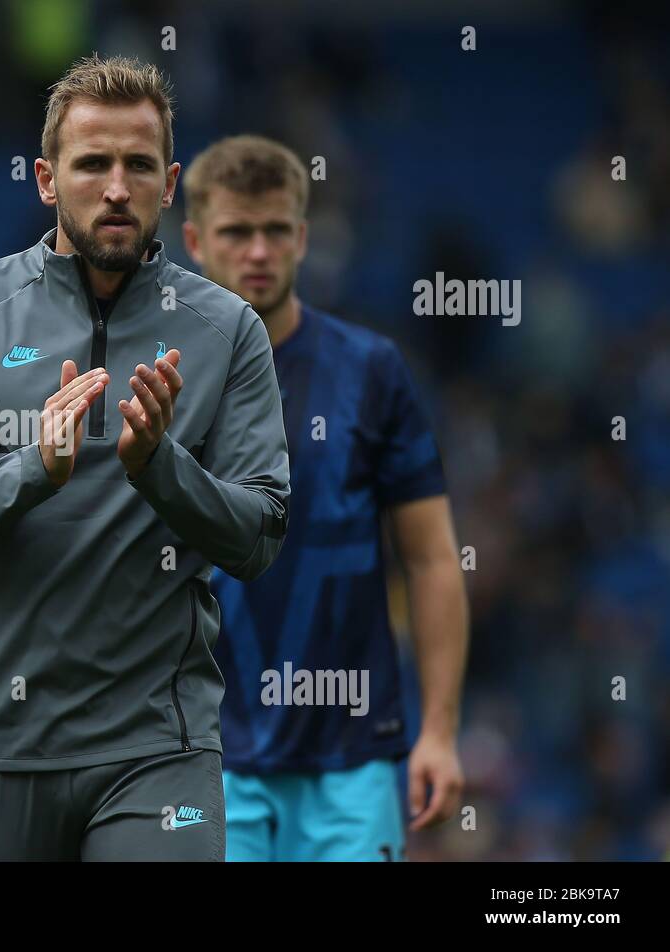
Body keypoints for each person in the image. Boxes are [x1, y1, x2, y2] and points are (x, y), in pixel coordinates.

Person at [0, 57, 289, 861]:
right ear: (45, 179)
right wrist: (31, 472)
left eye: (138, 166)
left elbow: (260, 536)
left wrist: (158, 466)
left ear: (170, 184)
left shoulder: (229, 331)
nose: (116, 188)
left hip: (158, 751)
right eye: (92, 163)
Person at [181, 134, 468, 861]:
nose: (258, 251)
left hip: (352, 761)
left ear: (304, 238)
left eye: (276, 230)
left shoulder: (372, 371)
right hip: (201, 760)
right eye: (237, 232)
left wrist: (438, 730)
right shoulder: (157, 380)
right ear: (194, 241)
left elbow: (433, 560)